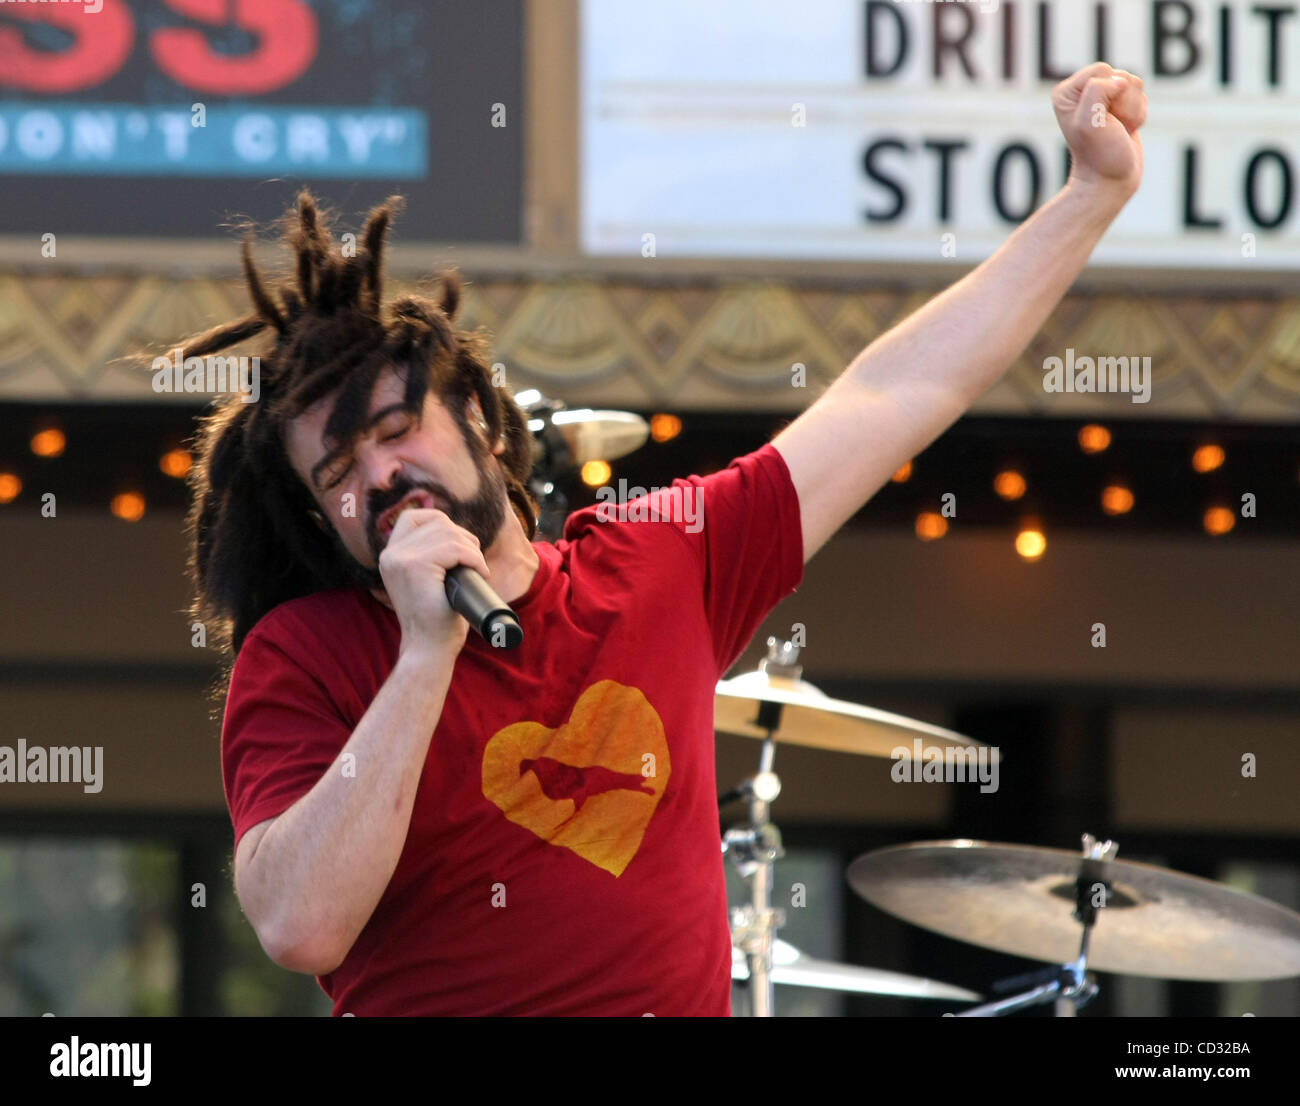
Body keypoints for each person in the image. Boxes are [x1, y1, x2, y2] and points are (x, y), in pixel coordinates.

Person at [183, 63, 1147, 1015]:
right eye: (339, 474)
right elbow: (300, 925)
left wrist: (1090, 195)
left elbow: (895, 395)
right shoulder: (306, 656)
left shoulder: (658, 562)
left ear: (475, 415)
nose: (381, 477)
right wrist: (424, 655)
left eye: (396, 432)